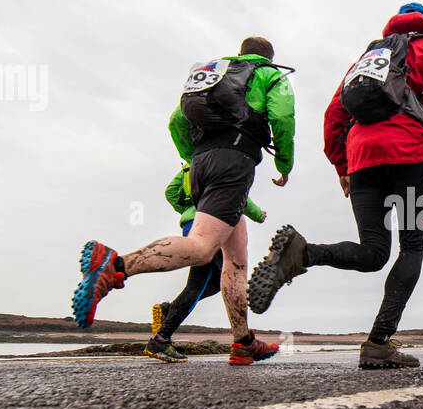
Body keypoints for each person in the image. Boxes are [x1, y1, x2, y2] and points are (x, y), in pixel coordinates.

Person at [247, 2, 423, 370]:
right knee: (412, 247)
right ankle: (378, 343)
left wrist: (342, 165)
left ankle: (303, 254)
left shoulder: (369, 59)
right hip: (410, 157)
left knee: (373, 253)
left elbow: (333, 114)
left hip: (362, 161)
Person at [71, 36, 294, 366]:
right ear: (269, 57)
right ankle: (115, 265)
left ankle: (243, 342)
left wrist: (195, 157)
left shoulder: (216, 73)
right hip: (236, 158)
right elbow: (283, 117)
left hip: (202, 162)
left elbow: (177, 120)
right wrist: (284, 164)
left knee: (236, 260)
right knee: (204, 248)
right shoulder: (268, 75)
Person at [145, 161, 267, 364]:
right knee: (198, 283)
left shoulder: (190, 165)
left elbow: (171, 192)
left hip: (192, 225)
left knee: (214, 284)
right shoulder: (219, 162)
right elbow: (237, 195)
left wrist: (189, 211)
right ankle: (160, 339)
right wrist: (258, 215)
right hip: (214, 225)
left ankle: (169, 310)